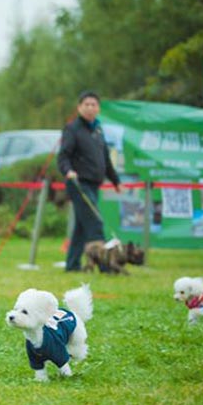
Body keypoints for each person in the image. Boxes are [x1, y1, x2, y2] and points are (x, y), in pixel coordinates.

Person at [57, 91, 122, 272]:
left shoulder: (98, 129)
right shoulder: (72, 129)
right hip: (79, 183)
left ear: (98, 108)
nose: (90, 107)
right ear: (79, 107)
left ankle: (72, 265)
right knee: (95, 222)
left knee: (81, 227)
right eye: (86, 104)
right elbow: (63, 156)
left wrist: (116, 181)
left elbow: (105, 159)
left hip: (94, 183)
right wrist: (68, 171)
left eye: (94, 104)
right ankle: (105, 265)